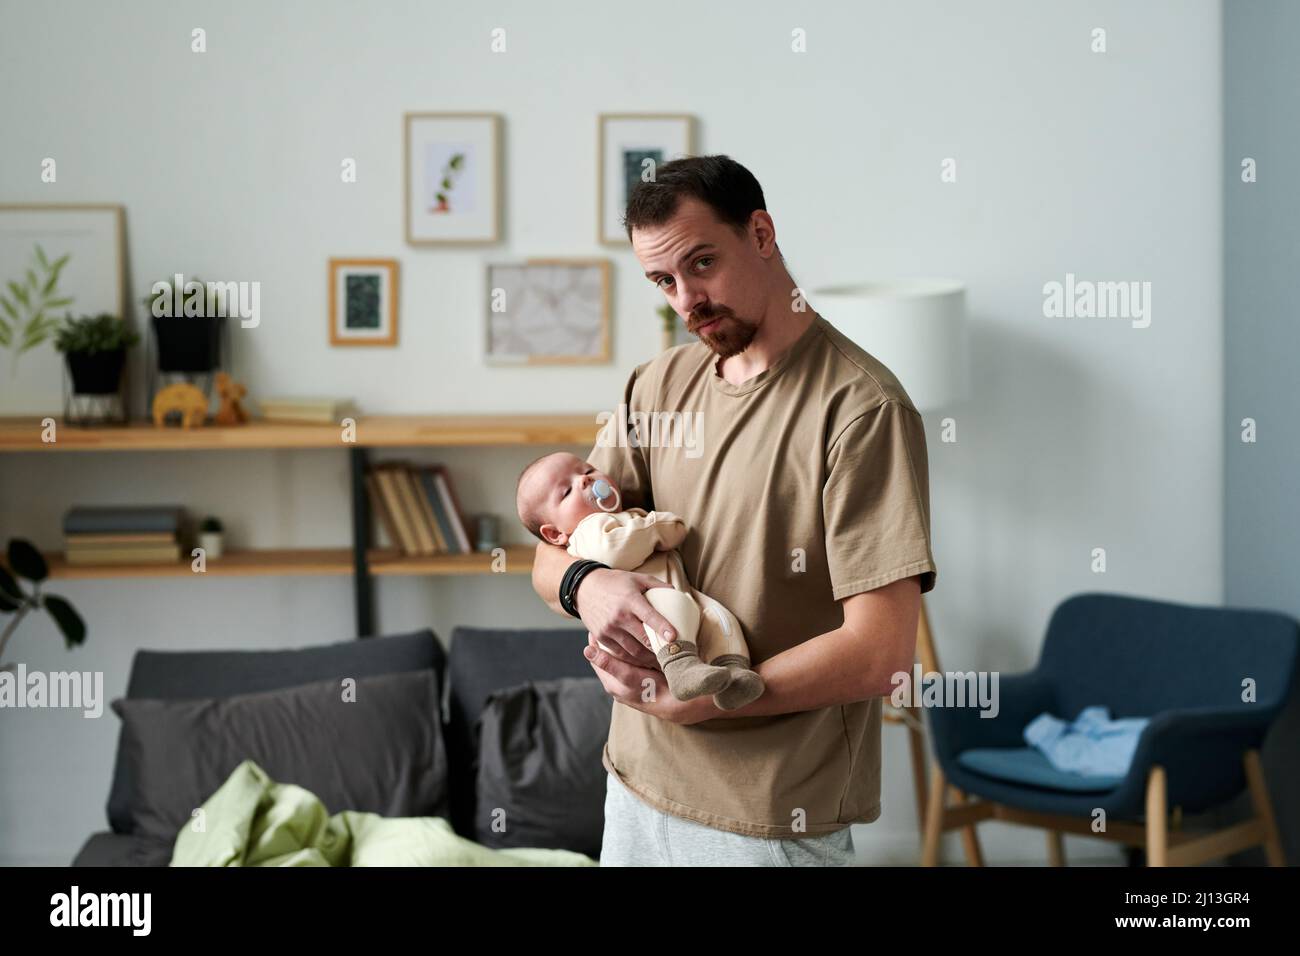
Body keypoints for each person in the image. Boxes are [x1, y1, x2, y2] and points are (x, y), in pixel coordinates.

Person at [530, 154, 938, 866]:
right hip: (631, 784)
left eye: (702, 263)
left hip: (771, 820)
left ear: (761, 232)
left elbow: (881, 654)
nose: (686, 299)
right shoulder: (654, 387)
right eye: (663, 280)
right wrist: (587, 587)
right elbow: (556, 546)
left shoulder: (862, 409)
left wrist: (711, 698)